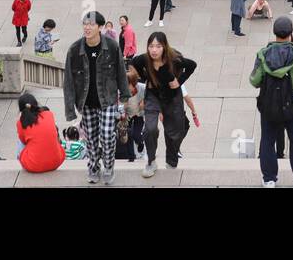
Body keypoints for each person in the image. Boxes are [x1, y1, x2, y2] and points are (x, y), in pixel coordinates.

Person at [62, 12, 130, 185]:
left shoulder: (112, 47)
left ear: (100, 27)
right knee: (91, 138)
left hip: (107, 99)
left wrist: (124, 95)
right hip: (86, 103)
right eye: (85, 24)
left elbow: (121, 72)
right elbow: (68, 81)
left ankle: (108, 165)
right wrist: (70, 109)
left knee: (107, 135)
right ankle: (93, 167)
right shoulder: (75, 49)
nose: (87, 27)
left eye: (91, 24)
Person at [250, 16, 293, 187]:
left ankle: (269, 179)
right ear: (291, 33)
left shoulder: (263, 54)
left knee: (267, 140)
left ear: (274, 33)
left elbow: (254, 80)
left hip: (269, 106)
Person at [131, 32, 196, 177]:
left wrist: (179, 81)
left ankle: (171, 158)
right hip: (153, 95)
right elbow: (132, 64)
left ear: (164, 47)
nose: (154, 50)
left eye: (158, 46)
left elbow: (192, 65)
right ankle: (151, 162)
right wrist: (144, 77)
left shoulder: (174, 59)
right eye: (151, 46)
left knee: (175, 132)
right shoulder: (144, 59)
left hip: (172, 97)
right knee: (150, 129)